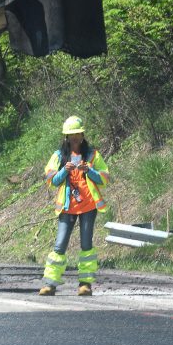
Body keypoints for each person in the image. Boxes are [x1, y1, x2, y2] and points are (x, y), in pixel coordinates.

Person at [38, 116, 111, 297]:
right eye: (72, 135)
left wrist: (90, 171)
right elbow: (52, 180)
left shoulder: (93, 155)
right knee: (59, 245)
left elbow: (104, 178)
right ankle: (50, 284)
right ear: (66, 137)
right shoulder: (58, 156)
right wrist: (65, 170)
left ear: (83, 134)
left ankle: (85, 284)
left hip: (88, 207)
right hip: (67, 207)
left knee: (87, 245)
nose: (75, 138)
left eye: (78, 134)